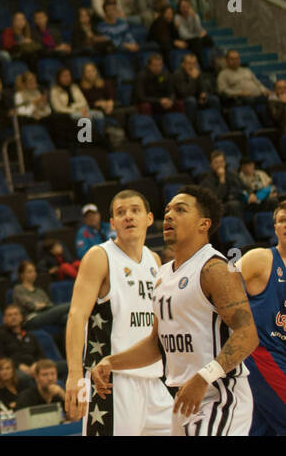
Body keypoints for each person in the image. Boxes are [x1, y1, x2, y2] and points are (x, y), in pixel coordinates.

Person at [93, 186, 258, 436]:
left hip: (219, 394)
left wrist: (204, 377)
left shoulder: (214, 268)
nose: (169, 215)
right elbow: (157, 344)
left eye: (180, 210)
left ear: (204, 224)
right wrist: (110, 362)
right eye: (168, 209)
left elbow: (247, 333)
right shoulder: (162, 275)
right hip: (183, 397)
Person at [65, 188, 172, 436]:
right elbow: (76, 315)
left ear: (149, 218)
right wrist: (74, 375)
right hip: (112, 381)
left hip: (154, 379)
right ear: (112, 223)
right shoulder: (100, 256)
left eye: (135, 210)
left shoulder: (154, 260)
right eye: (120, 213)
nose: (128, 217)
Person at [236, 207, 286, 435]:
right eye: (282, 220)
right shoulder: (261, 258)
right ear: (274, 227)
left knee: (260, 429)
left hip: (281, 356)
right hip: (261, 353)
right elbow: (220, 284)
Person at [12, 260, 69, 329]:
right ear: (22, 275)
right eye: (30, 272)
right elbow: (30, 306)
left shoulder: (39, 290)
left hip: (45, 315)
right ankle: (75, 305)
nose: (34, 274)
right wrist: (39, 306)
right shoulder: (18, 289)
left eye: (34, 271)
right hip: (30, 319)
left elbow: (49, 305)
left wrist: (41, 306)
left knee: (67, 318)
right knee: (68, 306)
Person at [199, 150, 245, 222]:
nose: (219, 165)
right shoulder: (207, 181)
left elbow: (243, 186)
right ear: (211, 165)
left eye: (221, 162)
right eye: (216, 162)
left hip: (237, 199)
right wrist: (222, 180)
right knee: (234, 205)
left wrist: (251, 194)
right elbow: (216, 199)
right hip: (220, 206)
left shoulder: (232, 175)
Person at [137, 53, 183, 117]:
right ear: (149, 66)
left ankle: (180, 124)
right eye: (155, 65)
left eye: (160, 65)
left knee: (179, 103)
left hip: (163, 102)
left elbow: (172, 92)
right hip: (151, 102)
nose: (158, 68)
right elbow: (141, 97)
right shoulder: (141, 76)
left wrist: (170, 100)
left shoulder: (166, 74)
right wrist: (159, 101)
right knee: (145, 106)